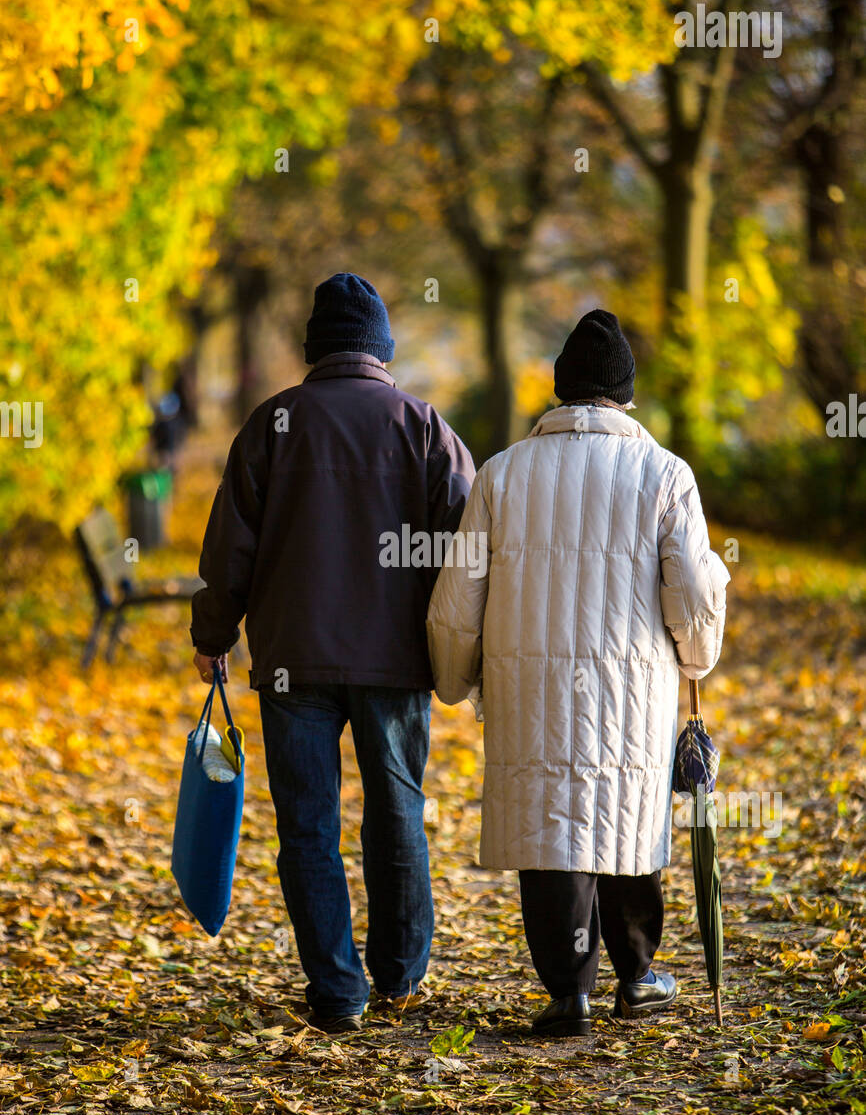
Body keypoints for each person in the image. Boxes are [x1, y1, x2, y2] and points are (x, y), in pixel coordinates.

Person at [427, 309, 729, 1037]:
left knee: (549, 822)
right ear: (625, 397)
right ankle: (636, 975)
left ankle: (569, 990)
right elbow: (690, 588)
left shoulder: (502, 473)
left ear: (560, 392)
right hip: (632, 687)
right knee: (625, 810)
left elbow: (459, 592)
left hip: (528, 687)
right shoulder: (665, 473)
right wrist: (698, 654)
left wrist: (452, 676)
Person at [190, 273, 475, 1032]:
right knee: (397, 812)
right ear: (381, 348)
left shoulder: (271, 425)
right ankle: (401, 973)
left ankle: (336, 989)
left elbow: (229, 553)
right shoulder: (423, 426)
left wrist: (212, 636)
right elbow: (469, 549)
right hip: (396, 660)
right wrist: (465, 650)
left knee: (307, 825)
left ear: (316, 348)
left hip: (295, 661)